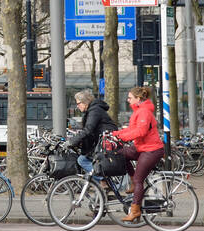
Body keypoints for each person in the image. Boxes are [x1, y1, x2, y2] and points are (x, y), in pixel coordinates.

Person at [113, 86, 162, 222]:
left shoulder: (144, 112)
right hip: (142, 147)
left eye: (130, 98)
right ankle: (134, 182)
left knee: (139, 180)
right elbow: (131, 129)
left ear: (138, 98)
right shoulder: (138, 111)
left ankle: (135, 210)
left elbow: (141, 132)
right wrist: (115, 134)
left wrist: (121, 138)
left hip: (151, 150)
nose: (128, 100)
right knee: (120, 153)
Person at [67, 89, 116, 175]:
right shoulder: (93, 110)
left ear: (85, 102)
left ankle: (102, 179)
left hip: (105, 142)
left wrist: (72, 141)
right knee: (85, 158)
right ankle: (101, 180)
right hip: (102, 141)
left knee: (82, 160)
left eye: (78, 103)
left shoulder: (94, 111)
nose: (77, 106)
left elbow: (88, 129)